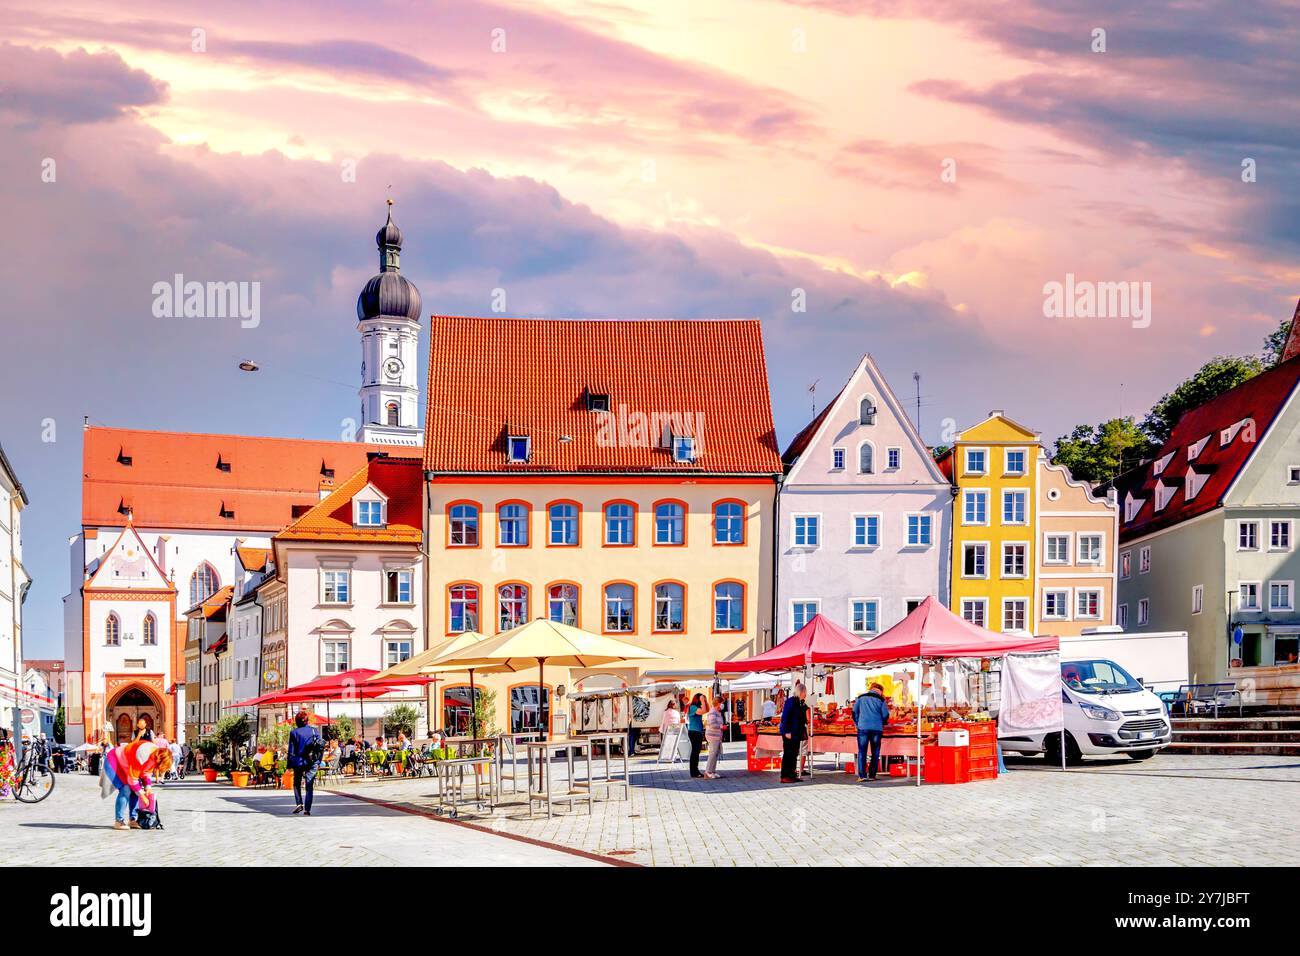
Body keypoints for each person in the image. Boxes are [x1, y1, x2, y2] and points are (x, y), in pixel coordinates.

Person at [100, 737, 172, 830]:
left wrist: (148, 787)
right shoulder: (143, 754)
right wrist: (142, 795)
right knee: (126, 789)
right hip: (115, 760)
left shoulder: (155, 754)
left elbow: (147, 772)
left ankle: (132, 820)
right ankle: (119, 821)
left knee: (135, 792)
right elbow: (132, 780)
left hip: (127, 765)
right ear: (159, 759)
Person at [852, 682, 891, 782]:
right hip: (877, 728)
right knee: (875, 752)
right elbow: (885, 714)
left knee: (862, 751)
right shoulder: (881, 700)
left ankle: (862, 775)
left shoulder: (860, 697)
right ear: (880, 691)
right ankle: (872, 775)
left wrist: (857, 723)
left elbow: (854, 712)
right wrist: (883, 722)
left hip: (863, 727)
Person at [287, 711, 323, 816]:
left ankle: (299, 803)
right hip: (312, 761)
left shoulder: (294, 733)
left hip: (299, 761)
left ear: (296, 721)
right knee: (309, 784)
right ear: (307, 721)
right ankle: (307, 810)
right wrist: (318, 761)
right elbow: (320, 746)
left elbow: (291, 751)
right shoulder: (314, 731)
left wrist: (289, 765)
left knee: (296, 783)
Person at [779, 682, 808, 784]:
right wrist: (787, 731)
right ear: (801, 691)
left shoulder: (801, 702)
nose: (806, 694)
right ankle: (785, 776)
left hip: (796, 732)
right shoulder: (791, 701)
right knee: (788, 754)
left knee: (794, 754)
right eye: (805, 692)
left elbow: (803, 715)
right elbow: (785, 717)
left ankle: (792, 774)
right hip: (789, 732)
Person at [703, 698, 727, 778]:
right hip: (712, 735)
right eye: (721, 703)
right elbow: (712, 724)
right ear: (718, 703)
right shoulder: (712, 712)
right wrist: (721, 726)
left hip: (716, 736)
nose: (723, 705)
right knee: (713, 753)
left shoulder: (717, 712)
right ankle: (708, 772)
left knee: (715, 753)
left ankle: (712, 771)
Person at [686, 693, 706, 778]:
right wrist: (702, 700)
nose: (703, 701)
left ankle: (695, 771)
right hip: (694, 732)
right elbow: (704, 711)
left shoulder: (695, 707)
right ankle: (694, 772)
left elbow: (707, 709)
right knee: (695, 752)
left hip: (697, 731)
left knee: (696, 752)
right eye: (701, 699)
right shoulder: (693, 707)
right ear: (697, 699)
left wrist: (704, 701)